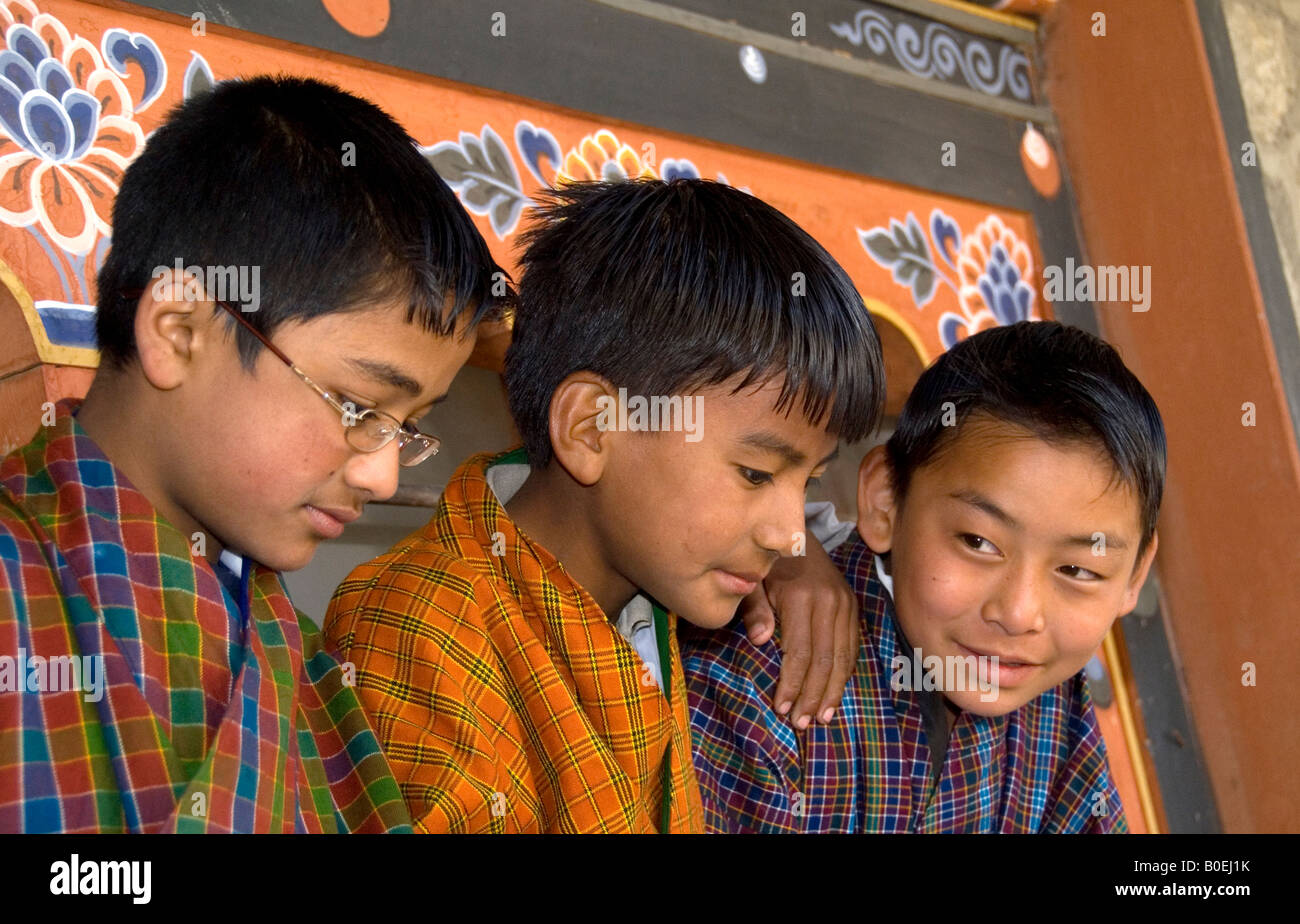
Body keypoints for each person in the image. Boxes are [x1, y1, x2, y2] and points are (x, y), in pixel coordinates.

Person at [0, 76, 505, 832]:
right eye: (360, 407)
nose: (381, 472)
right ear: (179, 330)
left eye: (407, 424)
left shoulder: (292, 653)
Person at [325, 178, 886, 832]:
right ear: (592, 429)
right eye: (756, 473)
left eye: (809, 482)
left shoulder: (649, 600)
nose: (792, 534)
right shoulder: (416, 623)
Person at [682, 320, 1164, 832]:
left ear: (1134, 576)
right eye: (978, 542)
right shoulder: (768, 676)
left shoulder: (1054, 709)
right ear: (886, 501)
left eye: (1078, 570)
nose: (1020, 614)